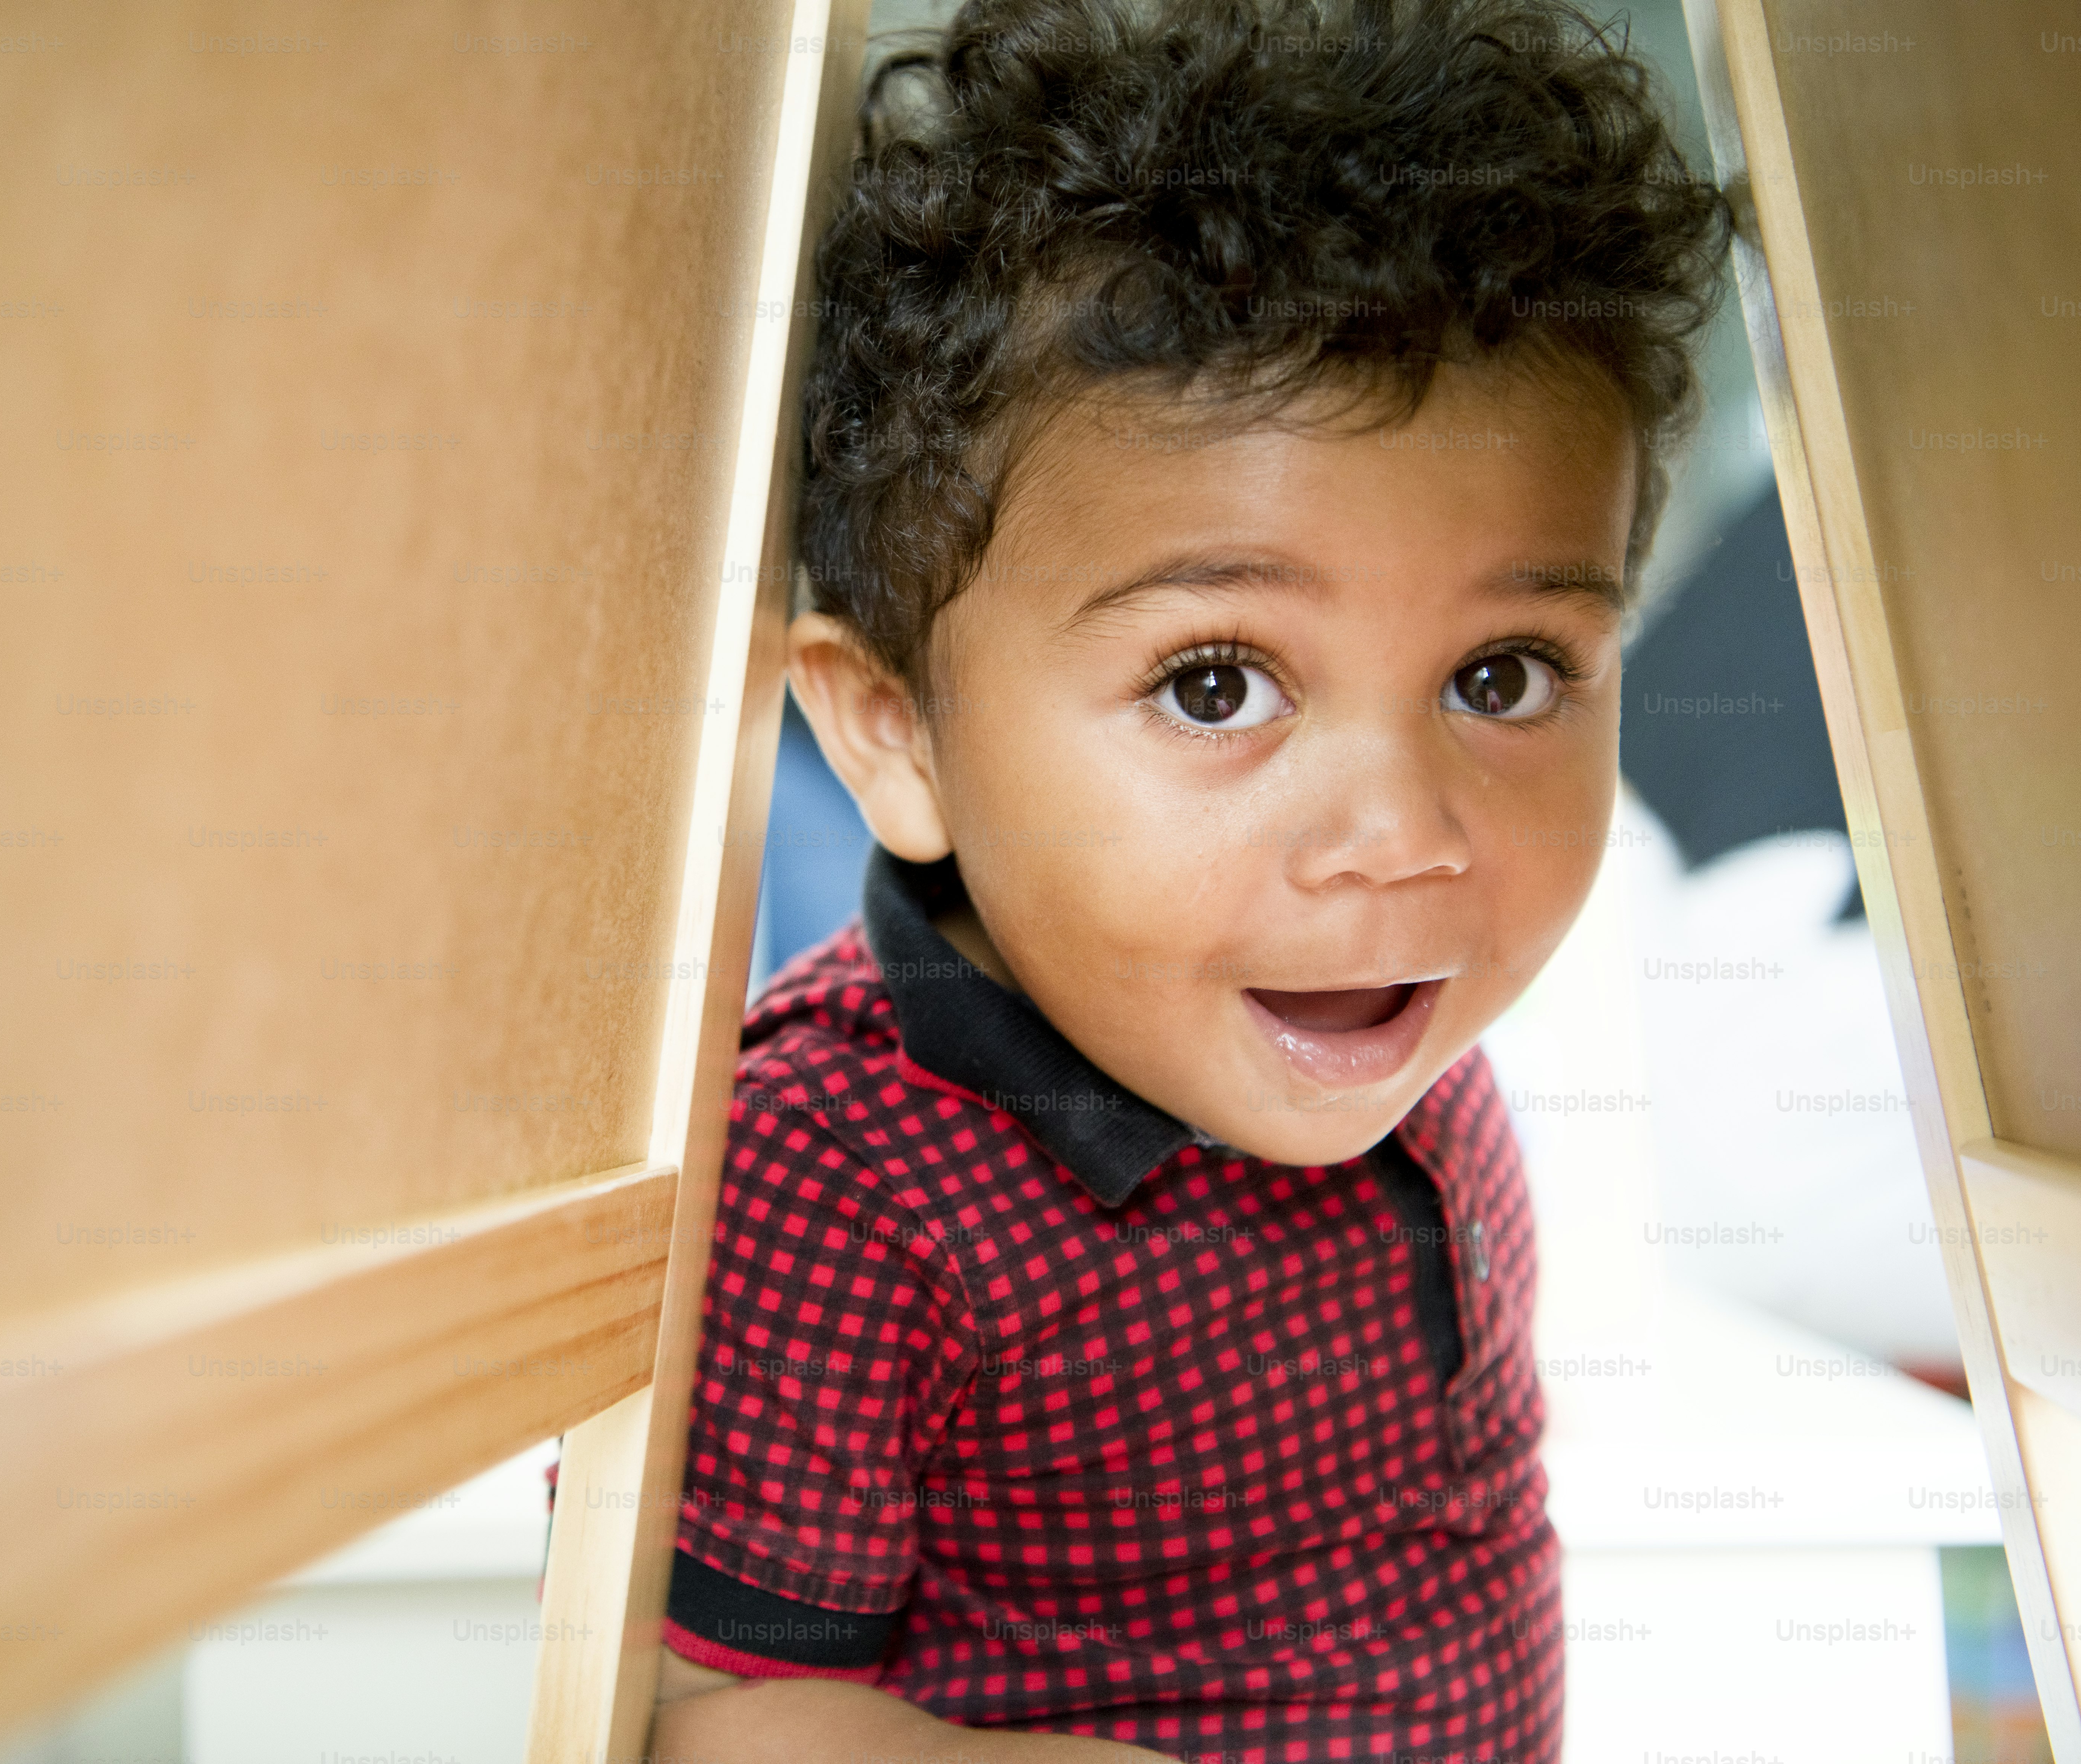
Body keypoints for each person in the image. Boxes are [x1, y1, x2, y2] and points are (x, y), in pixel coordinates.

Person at [647, 2, 1730, 1756]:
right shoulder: (834, 1180)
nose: (1405, 833)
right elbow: (706, 1721)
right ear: (893, 733)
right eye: (1215, 684)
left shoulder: (1386, 1045)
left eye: (1503, 675)